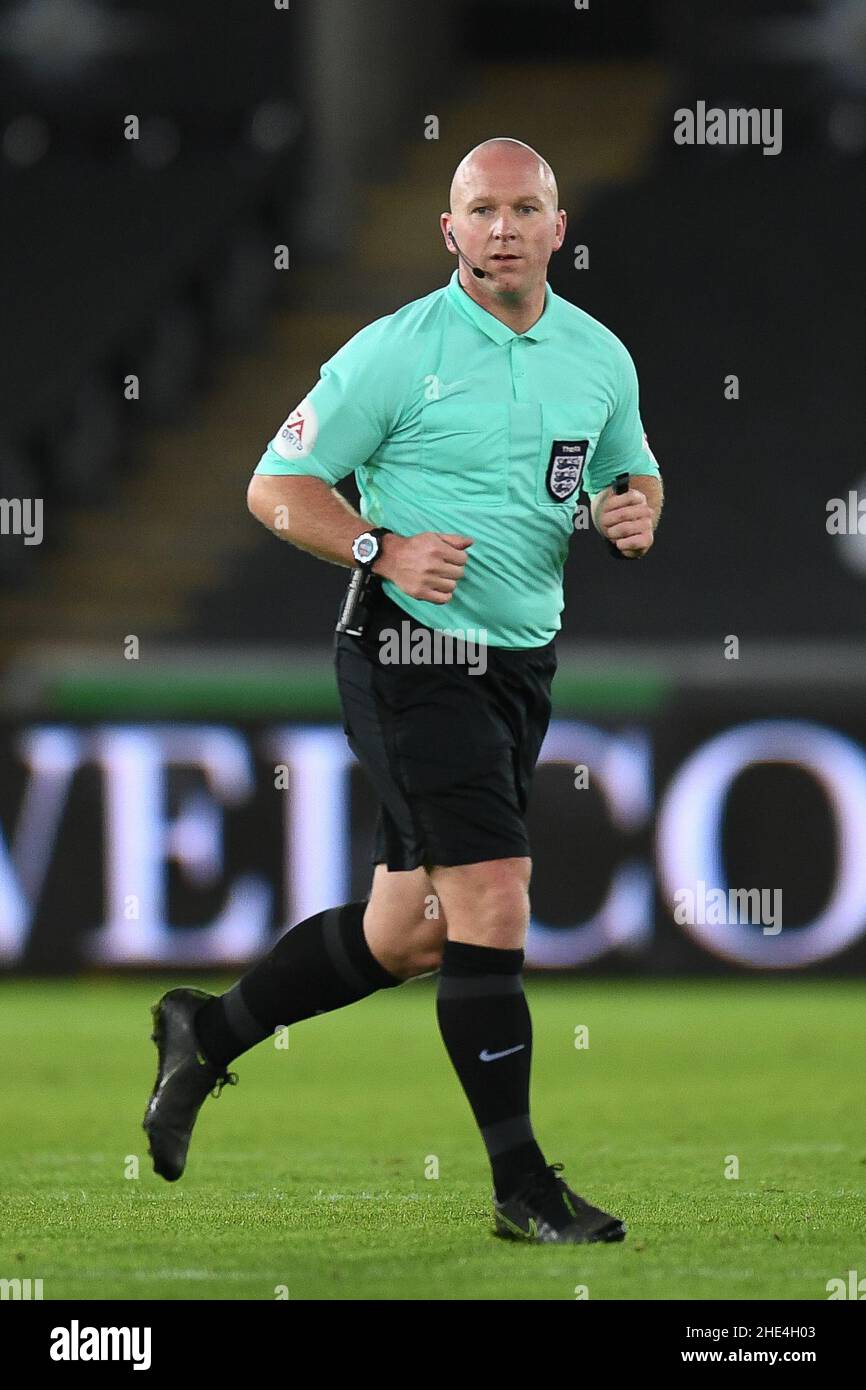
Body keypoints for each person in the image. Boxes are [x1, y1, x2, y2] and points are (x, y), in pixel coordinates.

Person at [143, 137, 664, 1245]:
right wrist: (375, 545)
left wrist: (633, 513)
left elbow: (628, 468)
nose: (503, 227)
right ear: (448, 230)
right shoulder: (394, 352)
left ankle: (206, 1030)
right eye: (480, 209)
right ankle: (522, 1188)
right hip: (409, 651)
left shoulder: (598, 356)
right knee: (492, 894)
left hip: (520, 659)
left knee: (411, 932)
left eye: (525, 207)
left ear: (557, 228)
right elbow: (271, 486)